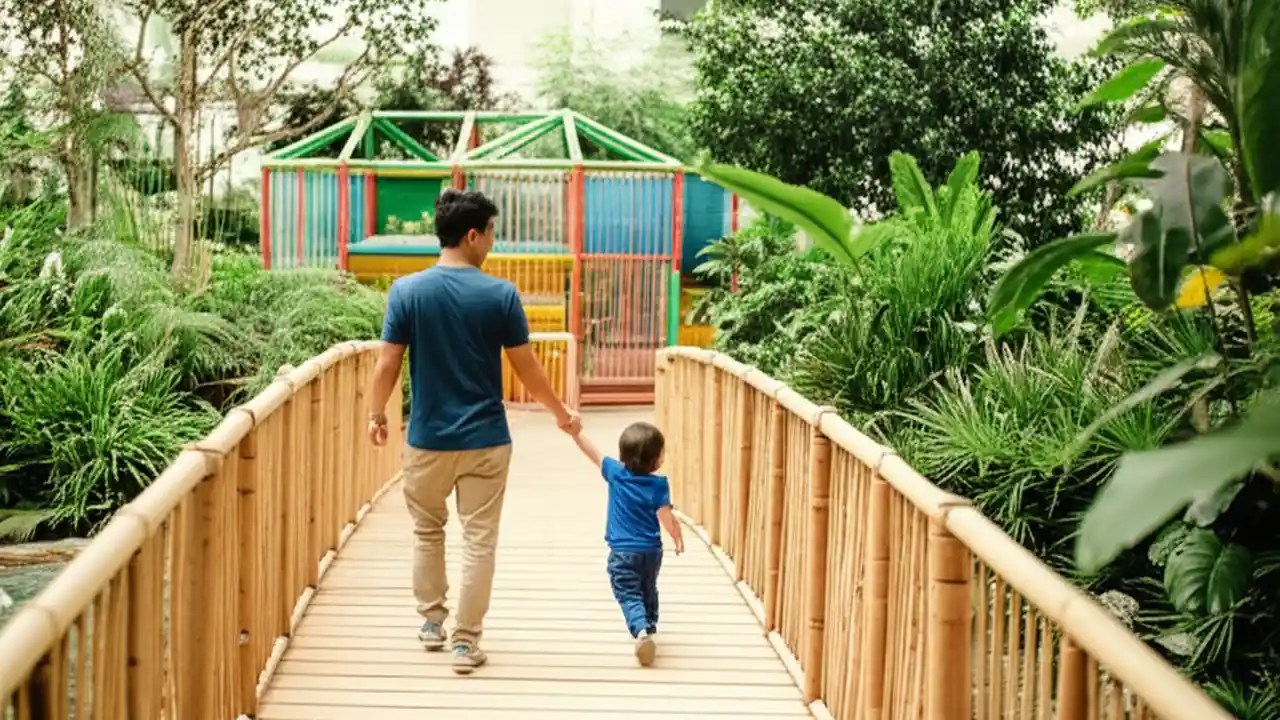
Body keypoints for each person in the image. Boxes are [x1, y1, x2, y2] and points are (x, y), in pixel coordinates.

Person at [365, 188, 581, 675]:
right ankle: (466, 642)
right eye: (490, 233)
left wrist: (377, 415)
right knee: (480, 540)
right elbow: (527, 370)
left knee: (427, 531)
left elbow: (386, 366)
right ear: (471, 235)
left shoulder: (407, 292)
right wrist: (561, 414)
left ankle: (431, 622)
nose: (492, 242)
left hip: (426, 440)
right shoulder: (499, 294)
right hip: (486, 439)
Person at [570, 421, 684, 667]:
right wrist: (676, 535)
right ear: (657, 460)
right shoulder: (658, 484)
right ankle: (650, 625)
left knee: (628, 593)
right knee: (648, 587)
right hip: (652, 551)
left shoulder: (616, 473)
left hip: (622, 553)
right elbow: (666, 517)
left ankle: (641, 631)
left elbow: (593, 454)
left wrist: (576, 434)